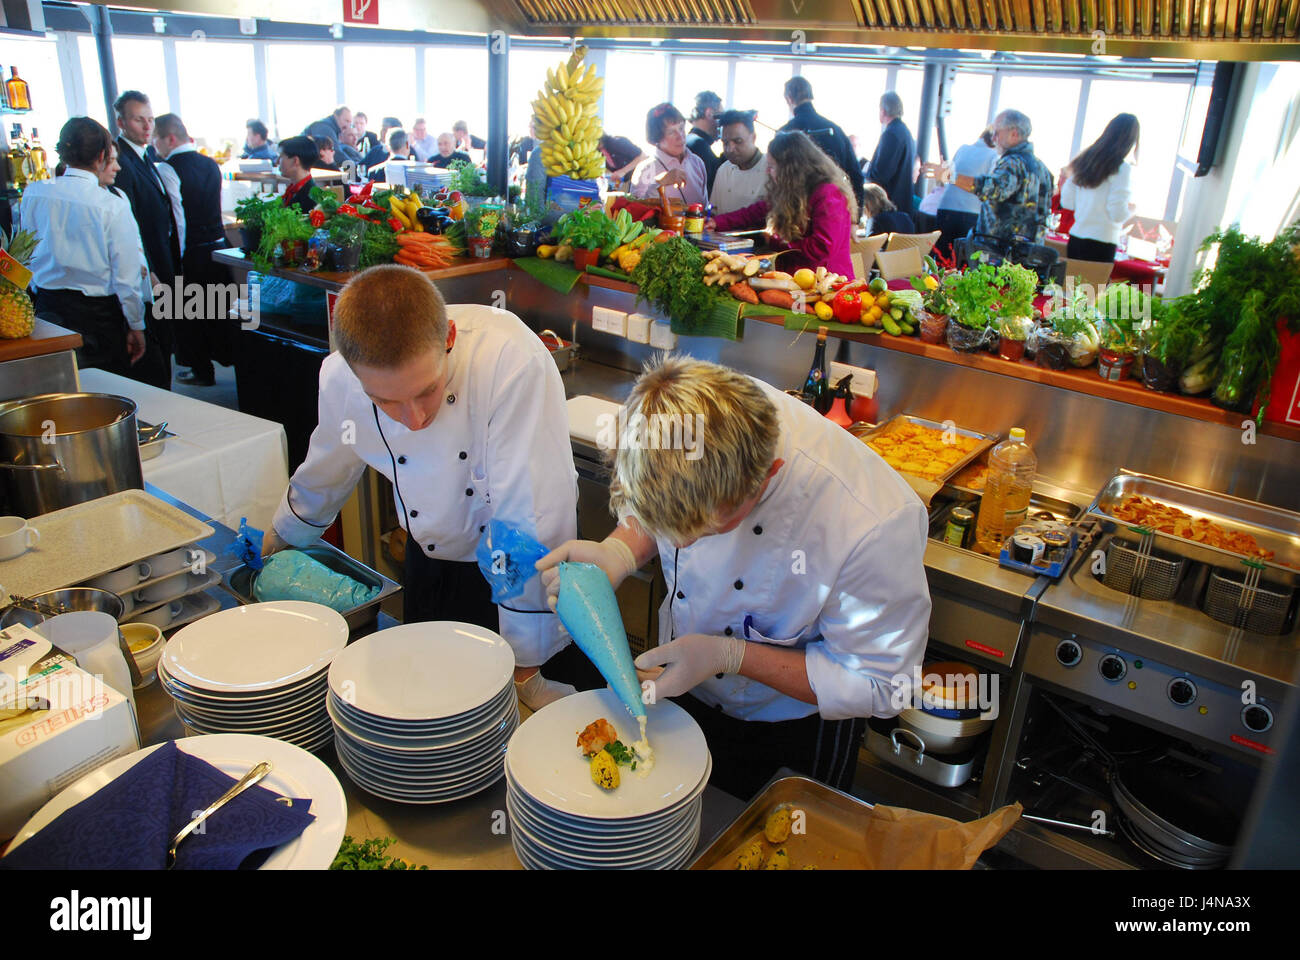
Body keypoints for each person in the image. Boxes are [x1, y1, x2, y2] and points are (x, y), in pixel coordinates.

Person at [536, 355, 930, 800]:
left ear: (766, 479)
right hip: (685, 694)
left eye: (704, 532)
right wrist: (619, 550)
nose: (679, 548)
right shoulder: (690, 412)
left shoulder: (871, 522)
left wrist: (730, 656)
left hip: (793, 733)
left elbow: (880, 683)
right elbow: (655, 502)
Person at [265, 266, 583, 712]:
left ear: (449, 336)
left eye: (427, 391)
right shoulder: (340, 378)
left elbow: (529, 512)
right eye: (387, 401)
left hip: (512, 568)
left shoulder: (510, 361)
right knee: (430, 706)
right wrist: (281, 538)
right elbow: (330, 463)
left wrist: (526, 665)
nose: (414, 418)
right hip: (428, 564)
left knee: (511, 724)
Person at [24, 118, 150, 381]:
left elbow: (27, 255)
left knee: (61, 386)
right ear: (102, 156)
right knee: (109, 390)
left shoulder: (34, 193)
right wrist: (136, 325)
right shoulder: (110, 205)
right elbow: (126, 276)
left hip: (47, 308)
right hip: (99, 315)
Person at [708, 130, 857, 278]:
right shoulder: (793, 190)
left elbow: (822, 248)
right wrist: (717, 222)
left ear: (790, 169)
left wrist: (778, 242)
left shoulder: (828, 193)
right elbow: (755, 212)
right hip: (798, 278)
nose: (767, 171)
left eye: (772, 166)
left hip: (829, 282)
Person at [154, 113, 232, 388]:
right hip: (218, 246)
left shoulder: (166, 168)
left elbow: (178, 218)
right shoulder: (210, 164)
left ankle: (202, 371)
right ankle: (227, 361)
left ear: (170, 138)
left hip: (192, 251)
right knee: (220, 310)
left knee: (191, 315)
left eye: (157, 139)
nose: (155, 146)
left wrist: (178, 259)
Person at [112, 89, 180, 390]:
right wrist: (149, 269)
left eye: (150, 119)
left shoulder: (145, 156)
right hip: (147, 269)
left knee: (166, 340)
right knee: (154, 346)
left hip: (163, 261)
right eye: (139, 120)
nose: (147, 126)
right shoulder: (122, 163)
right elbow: (131, 224)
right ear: (121, 122)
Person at [950, 109, 1054, 243]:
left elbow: (991, 189)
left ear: (1014, 134)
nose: (993, 138)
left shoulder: (1013, 163)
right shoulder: (1042, 168)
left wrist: (949, 176)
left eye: (996, 133)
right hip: (1031, 251)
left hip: (1002, 251)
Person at [1059, 113, 1140, 263]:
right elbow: (1117, 214)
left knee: (1071, 285)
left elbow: (1068, 202)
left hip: (1076, 239)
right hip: (1102, 242)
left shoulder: (1085, 160)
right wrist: (1132, 211)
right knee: (1094, 287)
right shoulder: (1122, 168)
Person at [779, 75, 865, 211]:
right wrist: (855, 216)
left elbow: (779, 180)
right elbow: (856, 176)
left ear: (789, 98)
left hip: (797, 213)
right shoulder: (836, 131)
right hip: (835, 209)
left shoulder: (785, 134)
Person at [925, 126, 999, 257]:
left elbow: (948, 175)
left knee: (941, 259)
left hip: (945, 208)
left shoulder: (963, 149)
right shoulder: (994, 156)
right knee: (962, 261)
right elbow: (989, 189)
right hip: (971, 213)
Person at [630, 103, 708, 207]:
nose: (680, 137)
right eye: (671, 132)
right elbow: (636, 210)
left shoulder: (697, 162)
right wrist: (660, 184)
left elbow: (705, 205)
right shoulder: (646, 168)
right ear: (657, 138)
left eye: (681, 128)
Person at [865, 91, 917, 219]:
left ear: (882, 111)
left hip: (889, 207)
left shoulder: (891, 134)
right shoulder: (906, 133)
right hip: (903, 206)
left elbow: (881, 175)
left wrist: (864, 173)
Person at [710, 109, 767, 216]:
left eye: (738, 141)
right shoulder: (723, 170)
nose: (730, 149)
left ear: (754, 138)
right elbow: (713, 212)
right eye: (725, 143)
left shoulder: (771, 169)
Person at [685, 90, 725, 194]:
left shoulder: (688, 141)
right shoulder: (699, 146)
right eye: (720, 116)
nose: (722, 123)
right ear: (709, 114)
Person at [277, 135, 318, 213]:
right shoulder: (295, 190)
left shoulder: (309, 199)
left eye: (281, 156)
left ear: (295, 161)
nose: (277, 161)